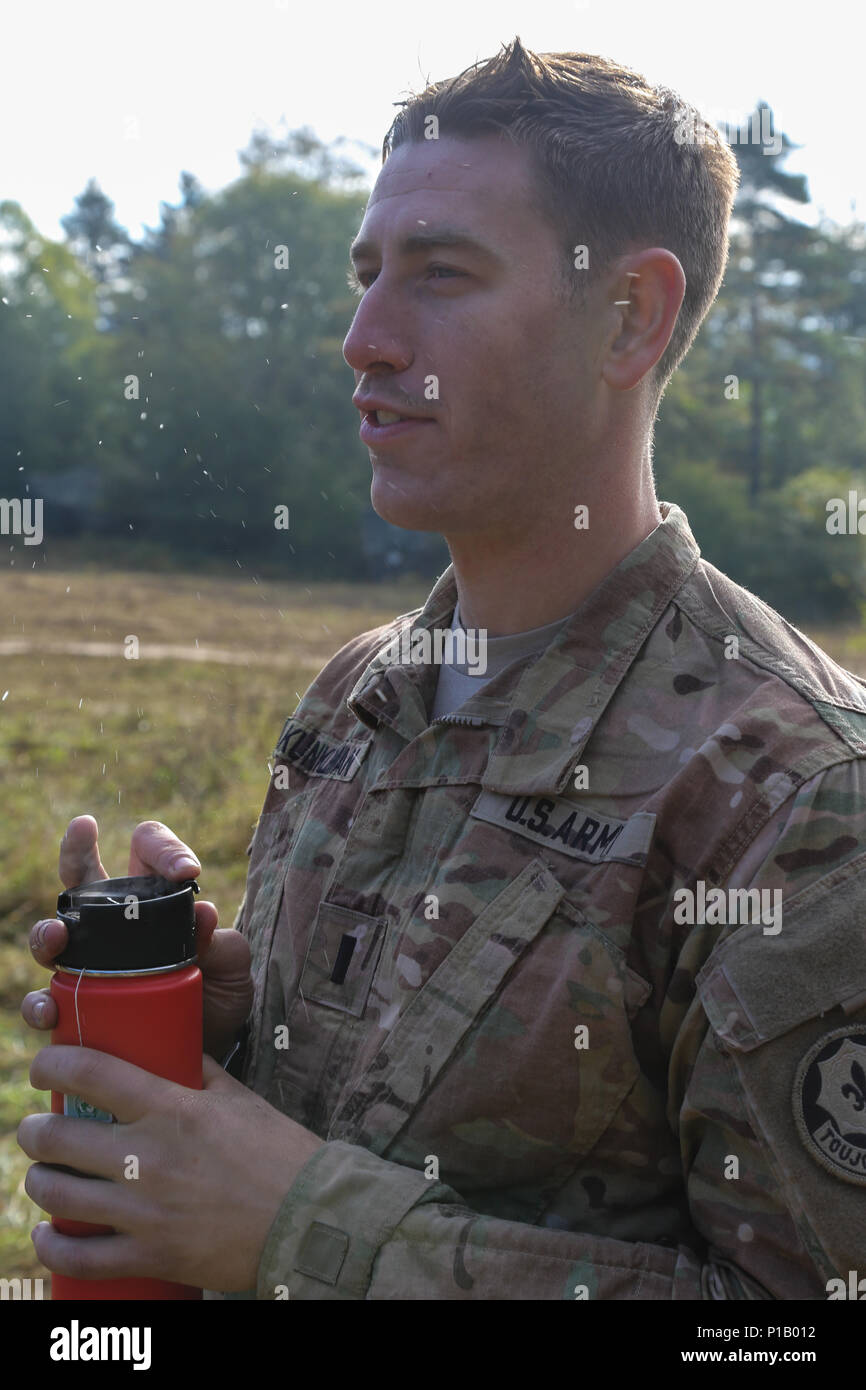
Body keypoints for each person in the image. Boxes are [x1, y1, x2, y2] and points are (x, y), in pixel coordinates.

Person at [18, 38, 866, 1300]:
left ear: (626, 314)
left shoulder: (796, 795)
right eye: (364, 276)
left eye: (440, 276)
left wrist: (300, 1229)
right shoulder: (359, 697)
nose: (362, 340)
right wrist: (229, 1051)